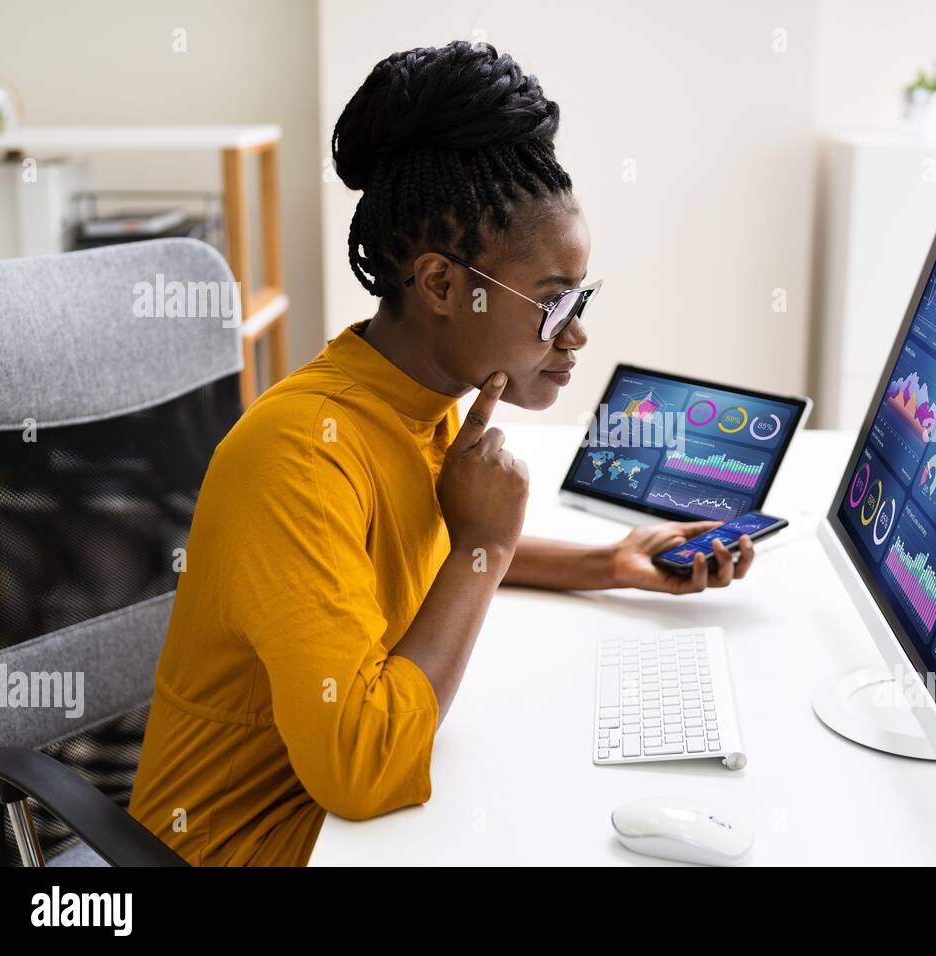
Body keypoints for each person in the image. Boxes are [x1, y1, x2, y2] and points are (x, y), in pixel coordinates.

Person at [128, 40, 757, 866]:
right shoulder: (300, 455)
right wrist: (483, 545)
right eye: (551, 301)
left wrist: (608, 562)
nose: (575, 334)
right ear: (439, 284)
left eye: (582, 295)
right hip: (244, 845)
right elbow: (362, 770)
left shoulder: (414, 406)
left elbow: (406, 548)